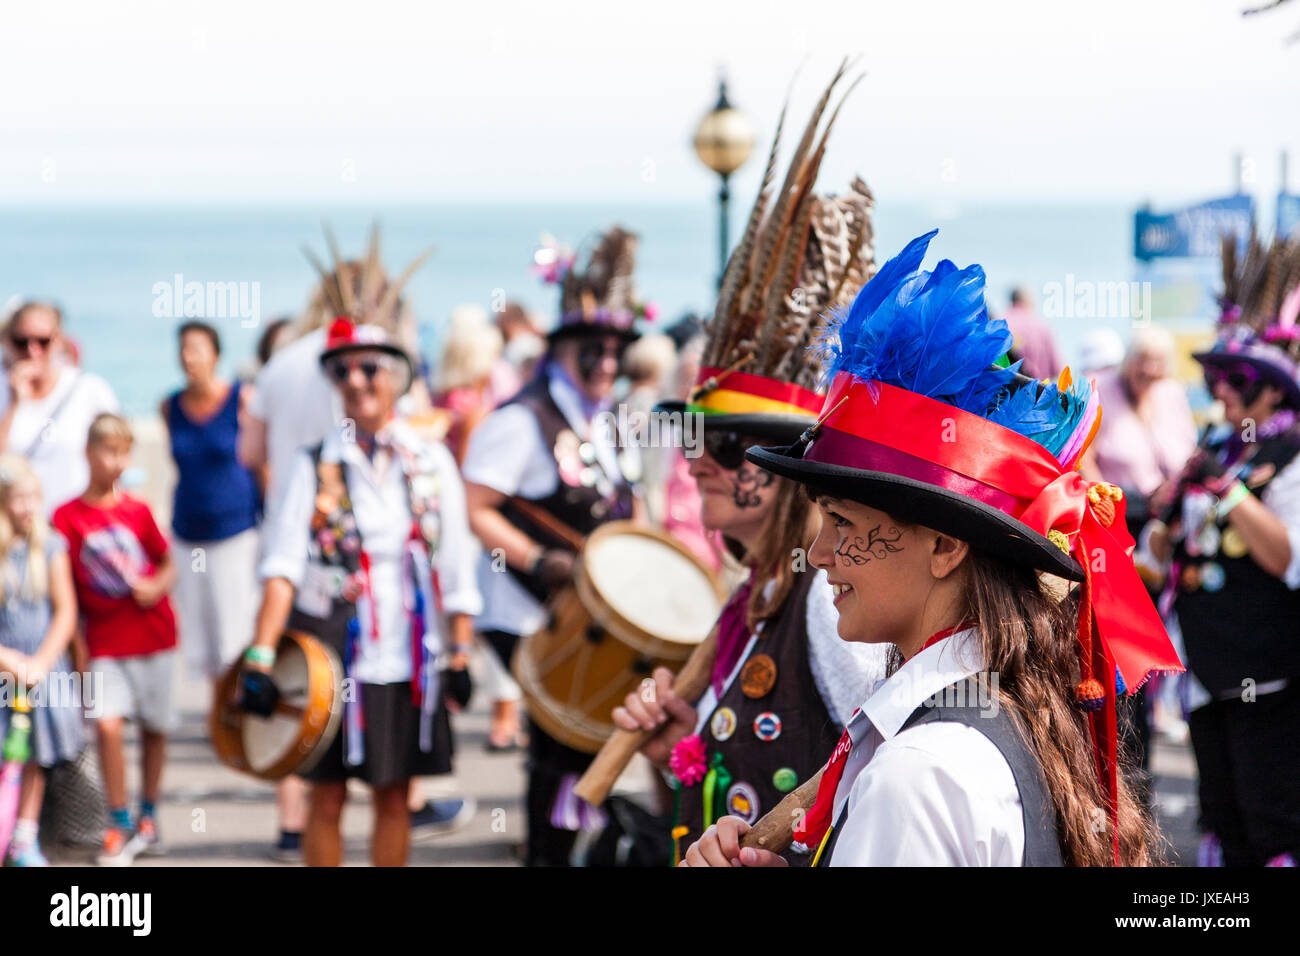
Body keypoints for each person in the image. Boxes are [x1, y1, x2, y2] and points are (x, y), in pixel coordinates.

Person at [683, 230, 1181, 867]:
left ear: (945, 545)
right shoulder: (1000, 720)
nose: (822, 553)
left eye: (841, 522)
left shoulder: (916, 776)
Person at [611, 70, 888, 864]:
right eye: (695, 439)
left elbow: (882, 791)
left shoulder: (834, 615)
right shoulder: (760, 598)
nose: (694, 463)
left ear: (792, 470)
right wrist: (676, 751)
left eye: (726, 447)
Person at [245, 317, 481, 867]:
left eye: (370, 368)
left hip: (405, 656)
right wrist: (259, 656)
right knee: (325, 796)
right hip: (330, 656)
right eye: (342, 370)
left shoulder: (430, 461)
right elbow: (281, 564)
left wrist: (461, 652)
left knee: (395, 792)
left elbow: (454, 566)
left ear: (397, 378)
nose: (357, 380)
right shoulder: (311, 464)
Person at [462, 225, 647, 866]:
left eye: (613, 351)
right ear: (562, 350)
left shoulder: (613, 420)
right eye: (591, 350)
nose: (605, 362)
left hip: (596, 615)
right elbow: (476, 507)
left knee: (587, 741)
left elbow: (630, 499)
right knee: (561, 741)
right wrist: (540, 560)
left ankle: (567, 846)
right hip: (529, 609)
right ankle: (549, 854)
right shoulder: (520, 420)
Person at [1148, 235, 1300, 867]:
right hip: (1207, 673)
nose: (1224, 393)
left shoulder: (1290, 456)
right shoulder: (1221, 448)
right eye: (1216, 379)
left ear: (1272, 392)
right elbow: (1164, 551)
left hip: (1266, 673)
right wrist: (1163, 516)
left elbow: (1283, 557)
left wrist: (1227, 492)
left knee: (1272, 825)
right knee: (1223, 821)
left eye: (1237, 380)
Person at [52, 413, 178, 866]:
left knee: (155, 729)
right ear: (88, 453)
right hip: (104, 640)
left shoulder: (138, 510)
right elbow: (64, 594)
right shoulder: (66, 518)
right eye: (109, 451)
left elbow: (168, 562)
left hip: (155, 635)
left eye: (124, 452)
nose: (117, 462)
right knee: (107, 725)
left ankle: (149, 815)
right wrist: (78, 652)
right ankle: (119, 820)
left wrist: (157, 586)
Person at [161, 321, 261, 688]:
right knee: (199, 635)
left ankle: (238, 709)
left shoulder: (242, 399)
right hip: (188, 532)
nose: (190, 357)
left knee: (234, 629)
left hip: (234, 531)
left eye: (198, 349)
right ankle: (216, 713)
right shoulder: (170, 406)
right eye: (184, 349)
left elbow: (257, 462)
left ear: (216, 355)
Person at [0, 456, 82, 866]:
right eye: (18, 499)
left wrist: (41, 662)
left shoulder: (51, 548)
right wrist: (7, 660)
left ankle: (24, 836)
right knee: (6, 752)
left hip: (41, 673)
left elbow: (66, 611)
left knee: (35, 751)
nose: (28, 507)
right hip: (4, 673)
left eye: (34, 497)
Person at [0, 302, 119, 514]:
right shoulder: (4, 389)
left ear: (59, 341)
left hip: (76, 525)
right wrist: (14, 404)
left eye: (43, 342)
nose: (32, 351)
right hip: (18, 528)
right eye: (21, 342)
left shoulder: (89, 389)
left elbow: (115, 455)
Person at [1002, 286, 1064, 381]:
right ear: (1027, 301)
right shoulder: (1042, 328)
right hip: (1039, 393)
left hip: (1004, 392)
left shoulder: (999, 324)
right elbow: (1056, 369)